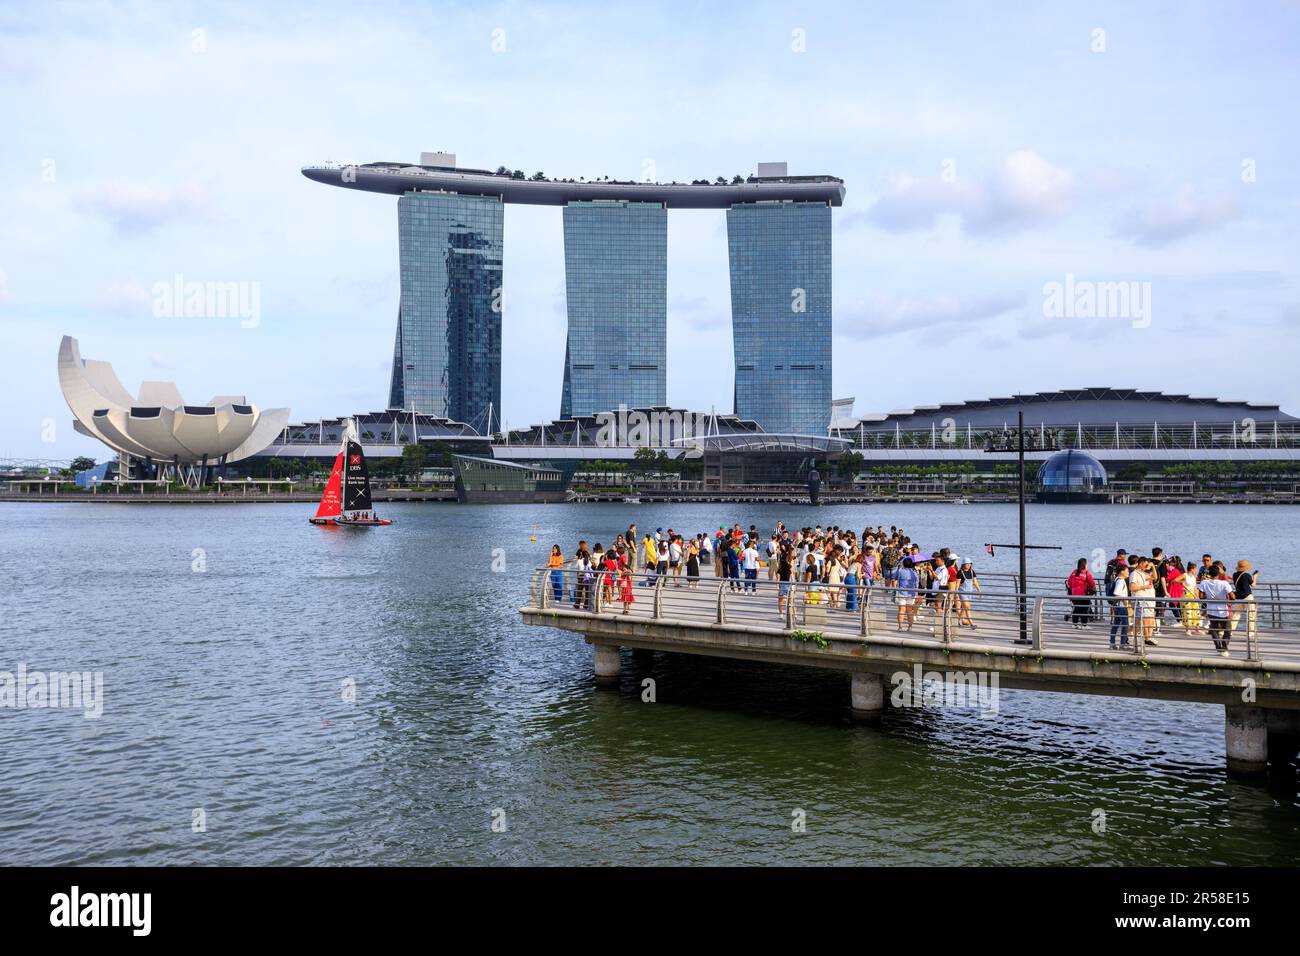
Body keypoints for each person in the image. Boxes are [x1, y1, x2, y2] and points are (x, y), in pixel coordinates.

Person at [1198, 566, 1234, 656]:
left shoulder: (1204, 582)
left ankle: (1218, 647)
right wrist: (1226, 599)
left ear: (1209, 574)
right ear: (1218, 574)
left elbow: (1201, 596)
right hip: (1223, 610)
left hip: (1211, 609)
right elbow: (1233, 597)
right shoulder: (1224, 583)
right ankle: (1224, 648)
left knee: (1214, 629)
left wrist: (1209, 598)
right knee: (1227, 629)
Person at [1231, 559, 1259, 643]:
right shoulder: (1247, 575)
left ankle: (1231, 630)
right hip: (1248, 597)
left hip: (1239, 597)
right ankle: (1250, 632)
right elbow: (1253, 585)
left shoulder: (1234, 575)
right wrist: (1255, 577)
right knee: (1251, 614)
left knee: (1236, 614)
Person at [1066, 559, 1096, 629]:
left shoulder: (1074, 572)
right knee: (1084, 610)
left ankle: (1075, 624)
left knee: (1076, 609)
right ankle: (1084, 625)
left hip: (1074, 594)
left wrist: (1074, 589)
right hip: (1083, 594)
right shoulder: (1086, 573)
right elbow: (1092, 584)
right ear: (1085, 564)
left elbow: (1069, 583)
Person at [1108, 563, 1131, 648]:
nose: (1128, 572)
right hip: (1121, 606)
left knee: (1116, 624)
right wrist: (1125, 602)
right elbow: (1117, 593)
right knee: (1125, 625)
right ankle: (1122, 644)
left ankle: (1112, 643)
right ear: (1122, 571)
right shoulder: (1121, 581)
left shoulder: (1117, 579)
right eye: (1127, 571)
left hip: (1117, 606)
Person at [896, 557, 920, 631]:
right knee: (909, 611)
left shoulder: (900, 571)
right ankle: (910, 627)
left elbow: (896, 580)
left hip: (901, 593)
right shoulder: (914, 573)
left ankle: (900, 627)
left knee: (901, 610)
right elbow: (917, 585)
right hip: (911, 594)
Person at [955, 559, 980, 628]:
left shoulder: (972, 572)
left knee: (964, 608)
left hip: (970, 592)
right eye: (967, 564)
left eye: (969, 564)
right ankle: (971, 624)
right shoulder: (960, 573)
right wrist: (956, 593)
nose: (968, 565)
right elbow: (957, 584)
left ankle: (959, 622)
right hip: (962, 592)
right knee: (967, 607)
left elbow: (975, 582)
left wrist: (979, 590)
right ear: (963, 564)